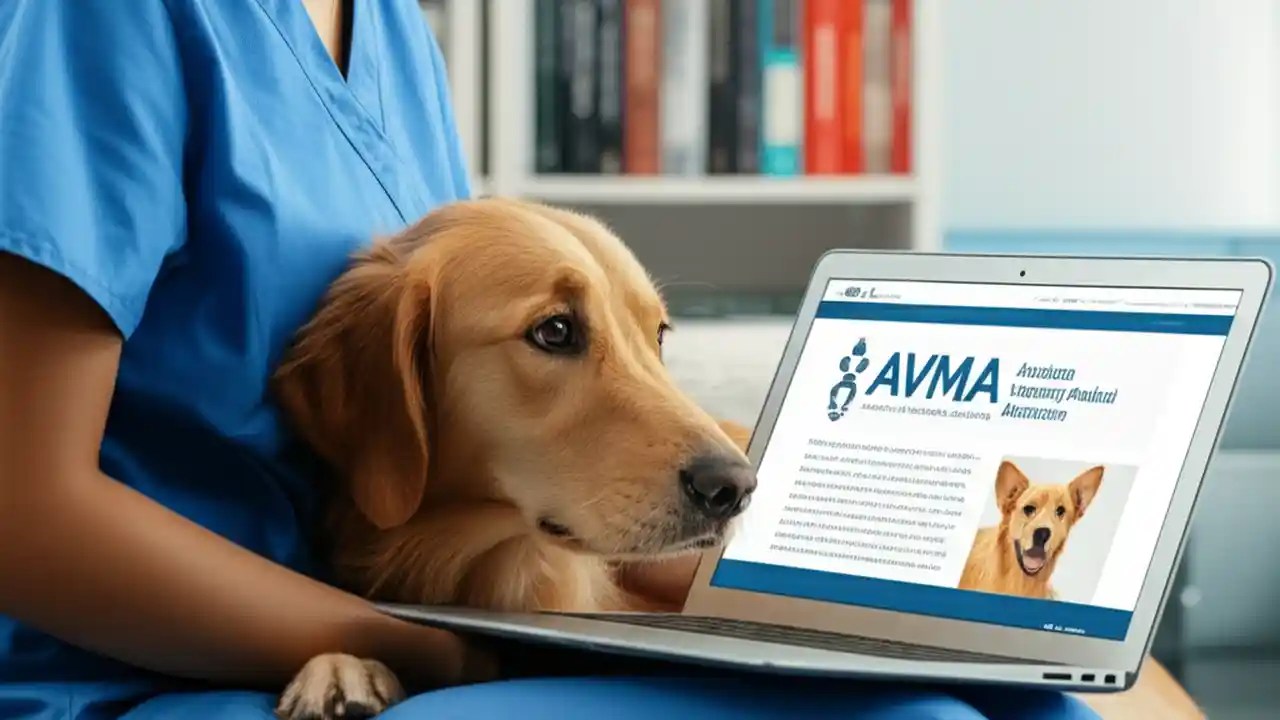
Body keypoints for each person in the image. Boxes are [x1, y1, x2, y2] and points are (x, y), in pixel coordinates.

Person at [0, 1, 1097, 718]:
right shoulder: (101, 18)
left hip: (440, 623)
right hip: (156, 675)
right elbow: (19, 512)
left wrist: (782, 578)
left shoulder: (394, 30)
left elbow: (483, 443)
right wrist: (426, 649)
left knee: (1023, 687)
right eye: (561, 337)